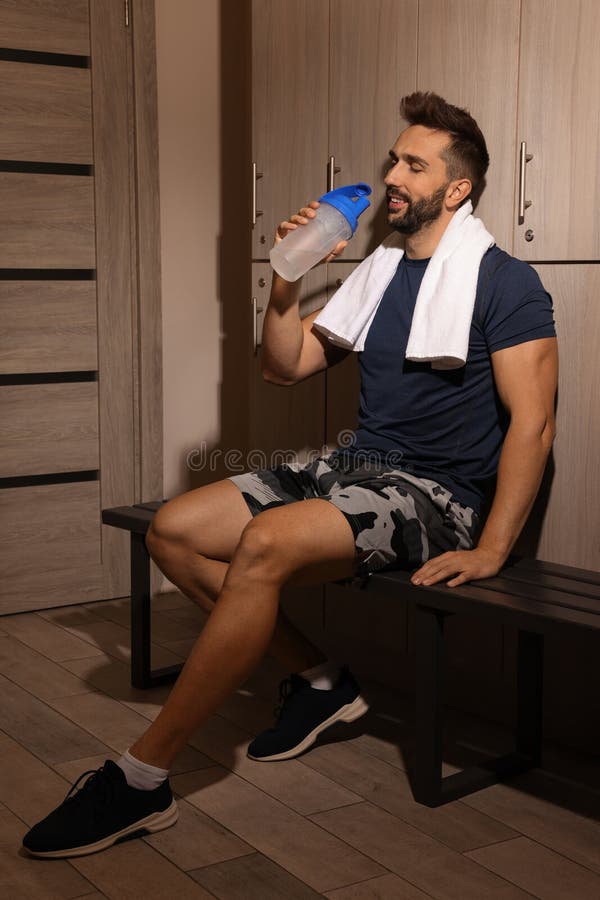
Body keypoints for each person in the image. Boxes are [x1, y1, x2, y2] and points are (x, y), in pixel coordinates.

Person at [22, 91, 558, 858]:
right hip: (356, 469)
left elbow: (534, 424)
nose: (391, 176)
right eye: (393, 160)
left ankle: (141, 779)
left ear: (458, 188)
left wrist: (494, 549)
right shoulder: (378, 275)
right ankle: (322, 683)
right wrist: (286, 274)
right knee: (173, 532)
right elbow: (284, 368)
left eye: (413, 164)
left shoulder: (505, 283)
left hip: (437, 495)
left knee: (264, 544)